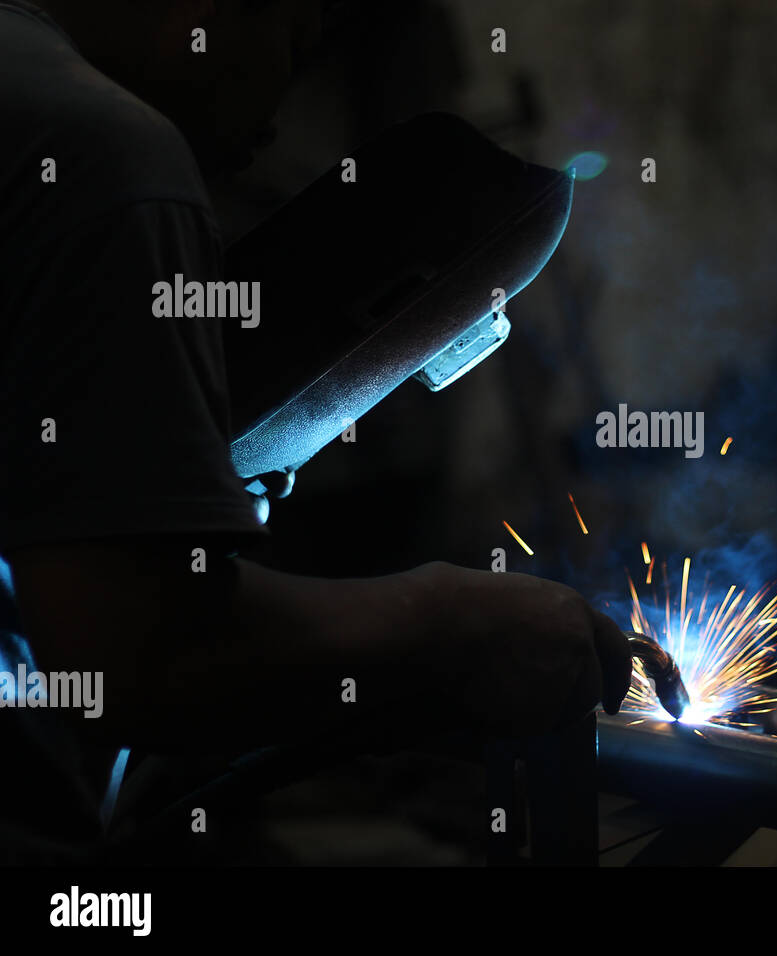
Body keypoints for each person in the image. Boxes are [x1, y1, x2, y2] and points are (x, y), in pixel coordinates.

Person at [0, 0, 631, 863]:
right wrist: (452, 626)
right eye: (291, 32)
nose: (288, 87)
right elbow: (139, 655)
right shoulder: (103, 147)